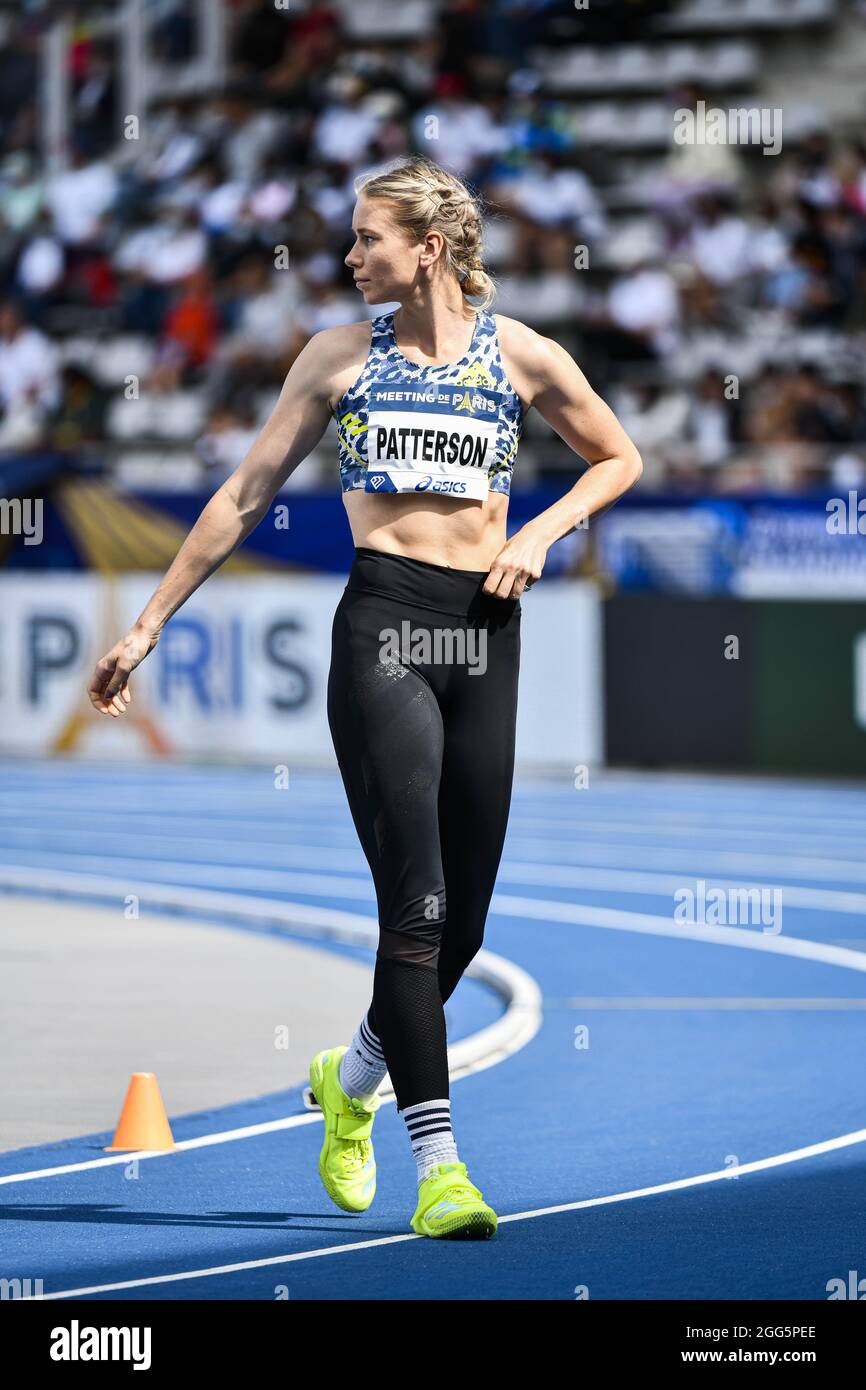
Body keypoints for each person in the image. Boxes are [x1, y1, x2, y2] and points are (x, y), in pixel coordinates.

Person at [87, 153, 642, 1239]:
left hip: (484, 632)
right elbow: (244, 493)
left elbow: (616, 457)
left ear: (425, 247)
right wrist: (148, 622)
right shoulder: (337, 360)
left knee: (466, 922)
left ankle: (349, 1082)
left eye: (365, 239)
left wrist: (536, 531)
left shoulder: (523, 356)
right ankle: (439, 1166)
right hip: (382, 622)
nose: (345, 258)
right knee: (417, 905)